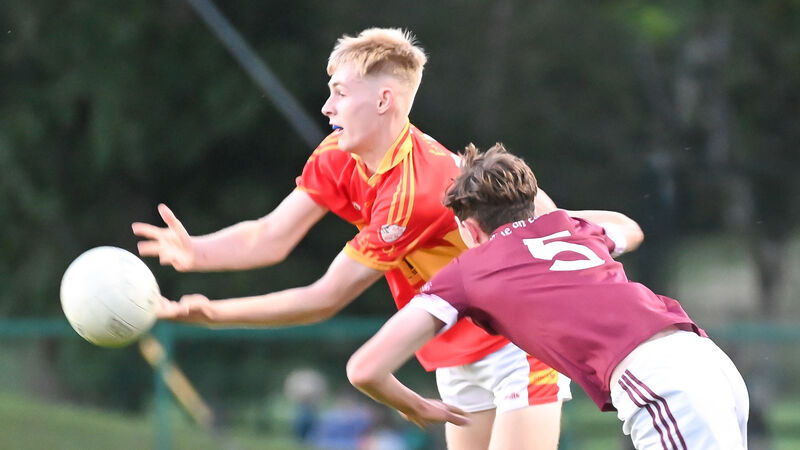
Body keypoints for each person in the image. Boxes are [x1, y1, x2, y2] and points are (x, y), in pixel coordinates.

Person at [132, 28, 568, 449]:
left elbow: (324, 297)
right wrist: (198, 252)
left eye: (340, 92)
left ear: (384, 100)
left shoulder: (415, 191)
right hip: (455, 344)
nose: (327, 107)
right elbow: (272, 235)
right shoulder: (338, 154)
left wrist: (214, 314)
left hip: (519, 335)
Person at [346, 143, 750, 449]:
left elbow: (364, 368)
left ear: (468, 230)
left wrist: (414, 405)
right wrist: (543, 220)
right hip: (705, 358)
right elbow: (628, 226)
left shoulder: (469, 270)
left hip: (656, 380)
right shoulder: (571, 229)